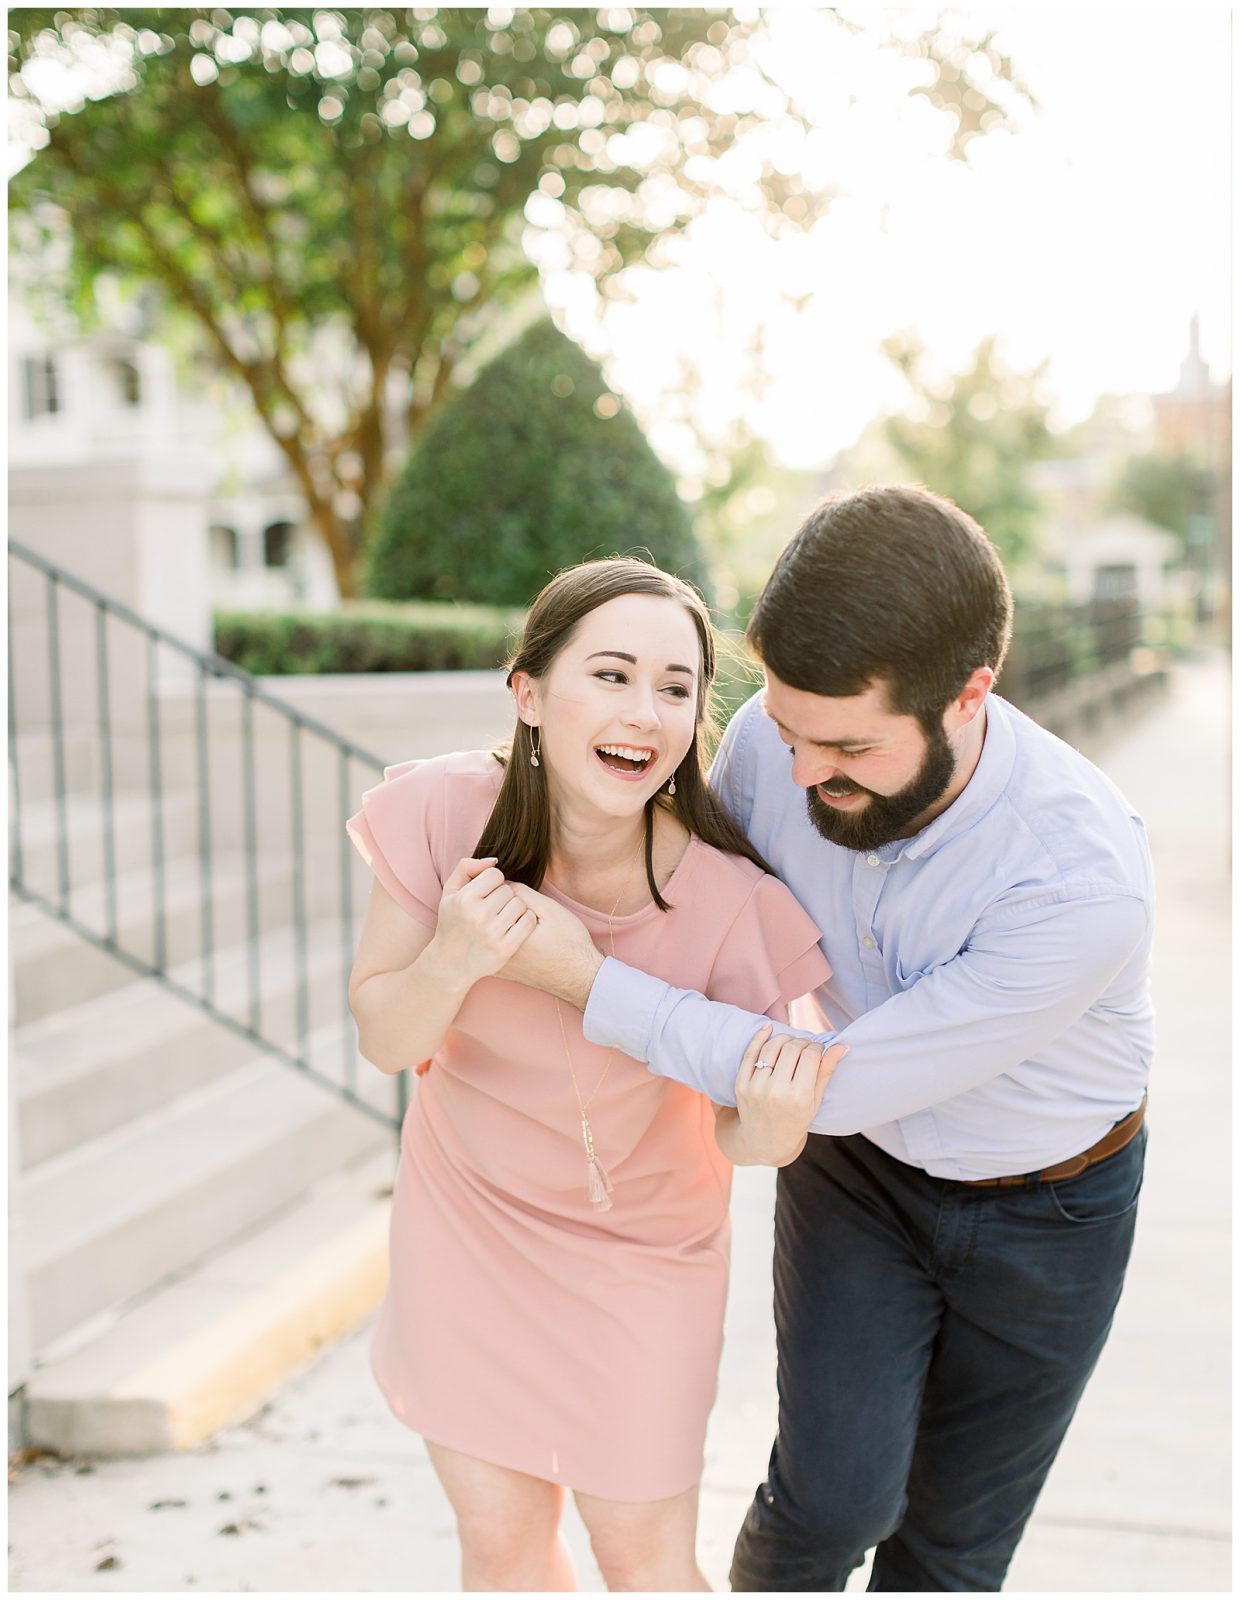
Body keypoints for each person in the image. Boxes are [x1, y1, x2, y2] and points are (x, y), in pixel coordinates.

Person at [503, 485, 1155, 1592]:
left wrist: (587, 982)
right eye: (792, 731)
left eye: (848, 746)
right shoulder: (772, 741)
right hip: (857, 1180)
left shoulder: (1077, 877)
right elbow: (643, 852)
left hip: (1052, 1208)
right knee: (823, 1506)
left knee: (948, 1554)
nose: (801, 776)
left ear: (968, 695)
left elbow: (830, 1083)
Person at [346, 558, 842, 1593]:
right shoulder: (441, 815)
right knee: (503, 1549)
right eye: (611, 675)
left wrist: (777, 1133)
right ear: (528, 693)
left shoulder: (728, 900)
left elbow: (734, 1132)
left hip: (646, 1259)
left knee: (646, 1562)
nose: (645, 712)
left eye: (674, 687)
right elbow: (387, 1039)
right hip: (468, 1228)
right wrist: (455, 954)